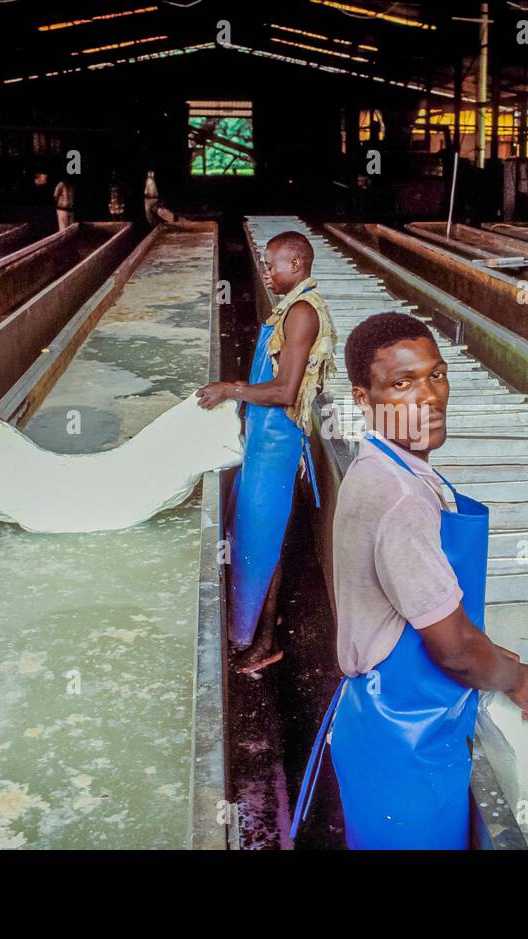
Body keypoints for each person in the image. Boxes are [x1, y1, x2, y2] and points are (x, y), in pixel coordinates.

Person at [291, 312, 528, 850]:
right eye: (402, 384)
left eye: (436, 375)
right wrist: (519, 679)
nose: (428, 397)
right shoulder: (401, 501)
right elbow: (454, 650)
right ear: (363, 399)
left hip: (386, 724)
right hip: (405, 749)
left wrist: (493, 653)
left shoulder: (389, 469)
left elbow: (423, 613)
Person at [195, 231, 336, 673]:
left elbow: (285, 390)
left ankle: (262, 641)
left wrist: (231, 389)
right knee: (252, 534)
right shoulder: (291, 309)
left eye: (271, 263)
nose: (266, 272)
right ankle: (254, 628)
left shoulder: (301, 313)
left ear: (295, 264)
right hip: (263, 439)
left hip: (277, 443)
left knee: (262, 539)